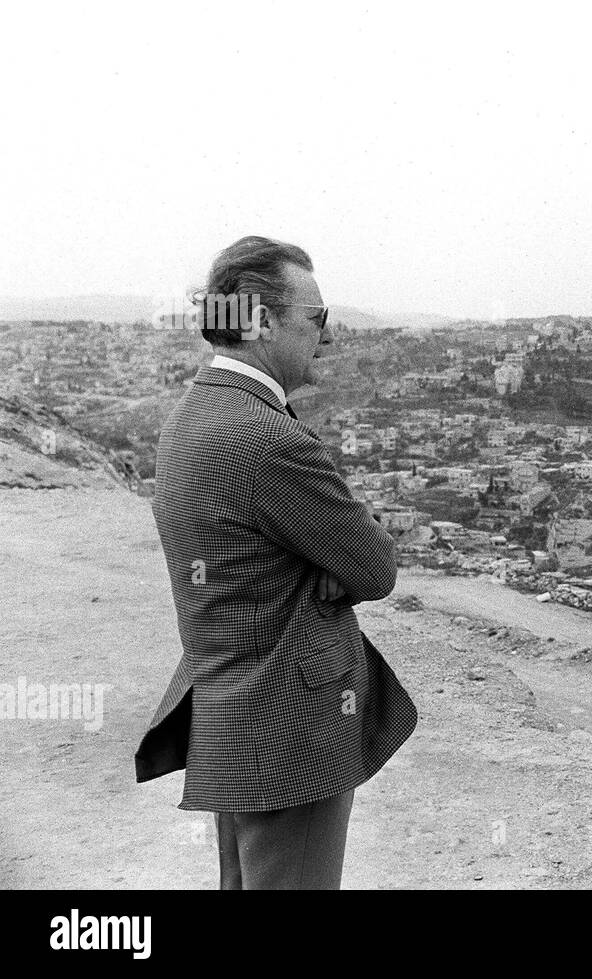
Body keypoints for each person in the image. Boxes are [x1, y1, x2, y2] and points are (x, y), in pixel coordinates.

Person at [135, 236, 416, 889]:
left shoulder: (191, 416)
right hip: (294, 728)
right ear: (259, 321)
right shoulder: (269, 438)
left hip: (232, 714)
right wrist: (332, 552)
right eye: (317, 319)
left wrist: (318, 553)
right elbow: (375, 568)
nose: (328, 336)